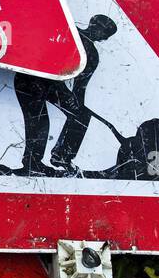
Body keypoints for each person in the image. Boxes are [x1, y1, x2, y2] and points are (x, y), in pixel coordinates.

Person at [14, 14, 118, 175]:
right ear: (93, 25)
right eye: (102, 31)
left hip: (51, 84)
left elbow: (80, 87)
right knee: (40, 121)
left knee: (81, 116)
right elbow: (45, 59)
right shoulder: (68, 32)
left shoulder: (93, 56)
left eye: (105, 35)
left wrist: (78, 106)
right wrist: (64, 92)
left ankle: (62, 156)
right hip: (31, 77)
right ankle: (32, 163)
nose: (102, 36)